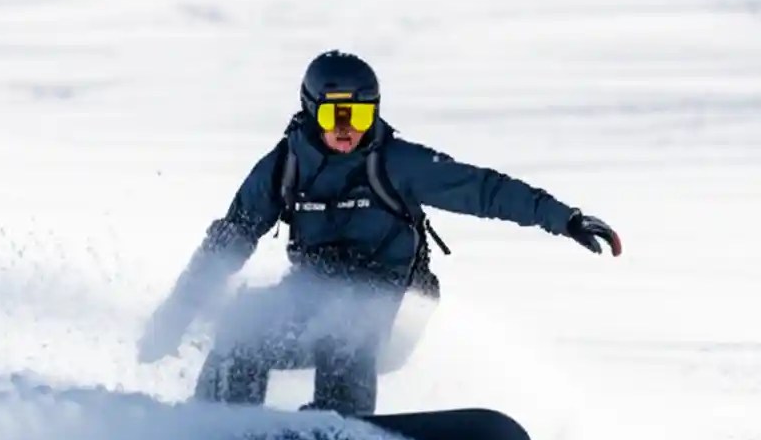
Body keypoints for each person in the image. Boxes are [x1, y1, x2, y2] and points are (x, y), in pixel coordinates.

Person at [137, 50, 621, 416]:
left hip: (397, 304)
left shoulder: (395, 162)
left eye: (360, 116)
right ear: (311, 112)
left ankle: (338, 426)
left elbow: (484, 189)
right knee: (244, 324)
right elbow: (227, 245)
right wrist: (173, 318)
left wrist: (565, 218)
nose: (347, 129)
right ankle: (218, 425)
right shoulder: (283, 167)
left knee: (346, 322)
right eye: (334, 116)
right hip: (314, 295)